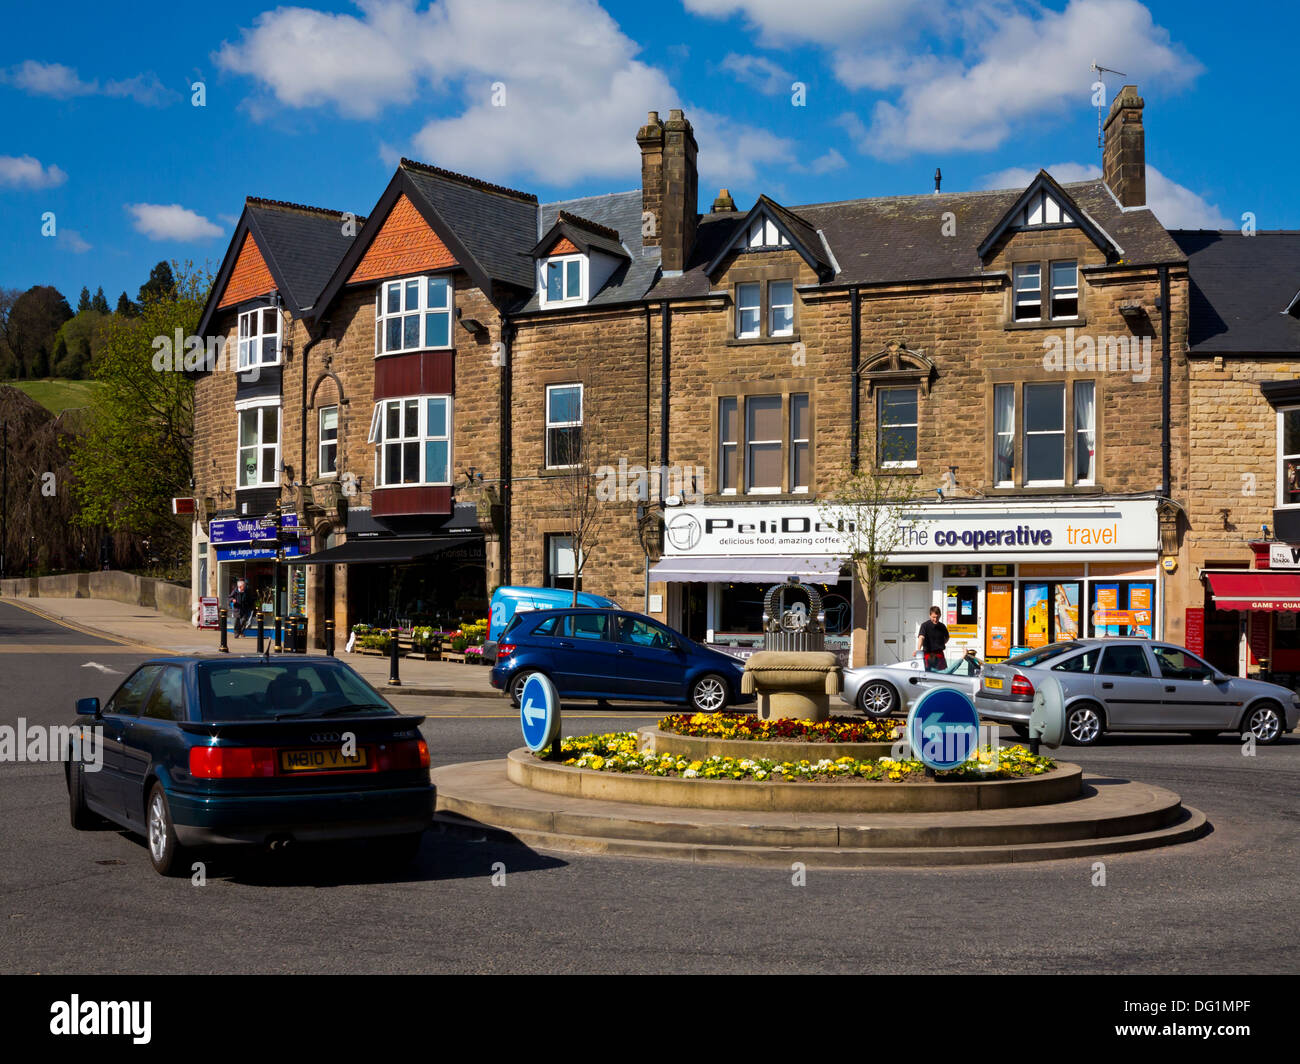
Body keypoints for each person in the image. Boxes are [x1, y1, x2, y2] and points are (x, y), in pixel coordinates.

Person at [916, 605, 949, 671]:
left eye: (937, 617)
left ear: (940, 615)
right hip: (928, 654)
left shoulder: (942, 626)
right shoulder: (924, 625)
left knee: (942, 674)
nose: (935, 619)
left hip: (939, 654)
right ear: (930, 615)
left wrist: (941, 643)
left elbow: (947, 637)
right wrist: (919, 650)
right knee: (927, 673)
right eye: (933, 617)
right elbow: (921, 637)